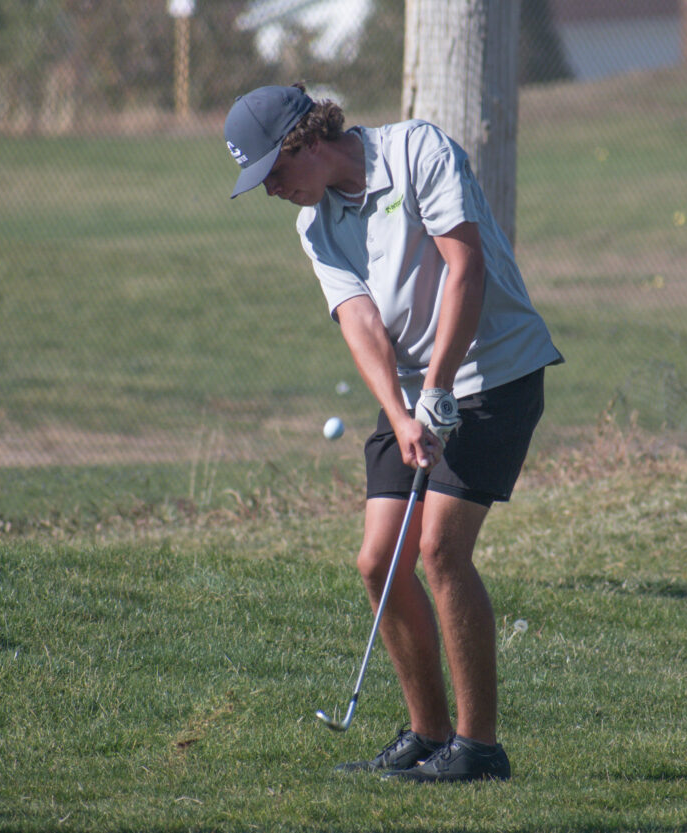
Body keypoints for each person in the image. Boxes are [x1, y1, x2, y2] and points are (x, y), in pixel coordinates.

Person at [224, 84, 563, 782]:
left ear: (304, 141)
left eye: (274, 173)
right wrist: (404, 413)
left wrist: (438, 389)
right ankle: (427, 733)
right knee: (379, 561)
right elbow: (360, 321)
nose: (272, 191)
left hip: (493, 373)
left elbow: (465, 269)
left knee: (440, 550)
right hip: (413, 392)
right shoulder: (315, 226)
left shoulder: (416, 151)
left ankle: (478, 748)